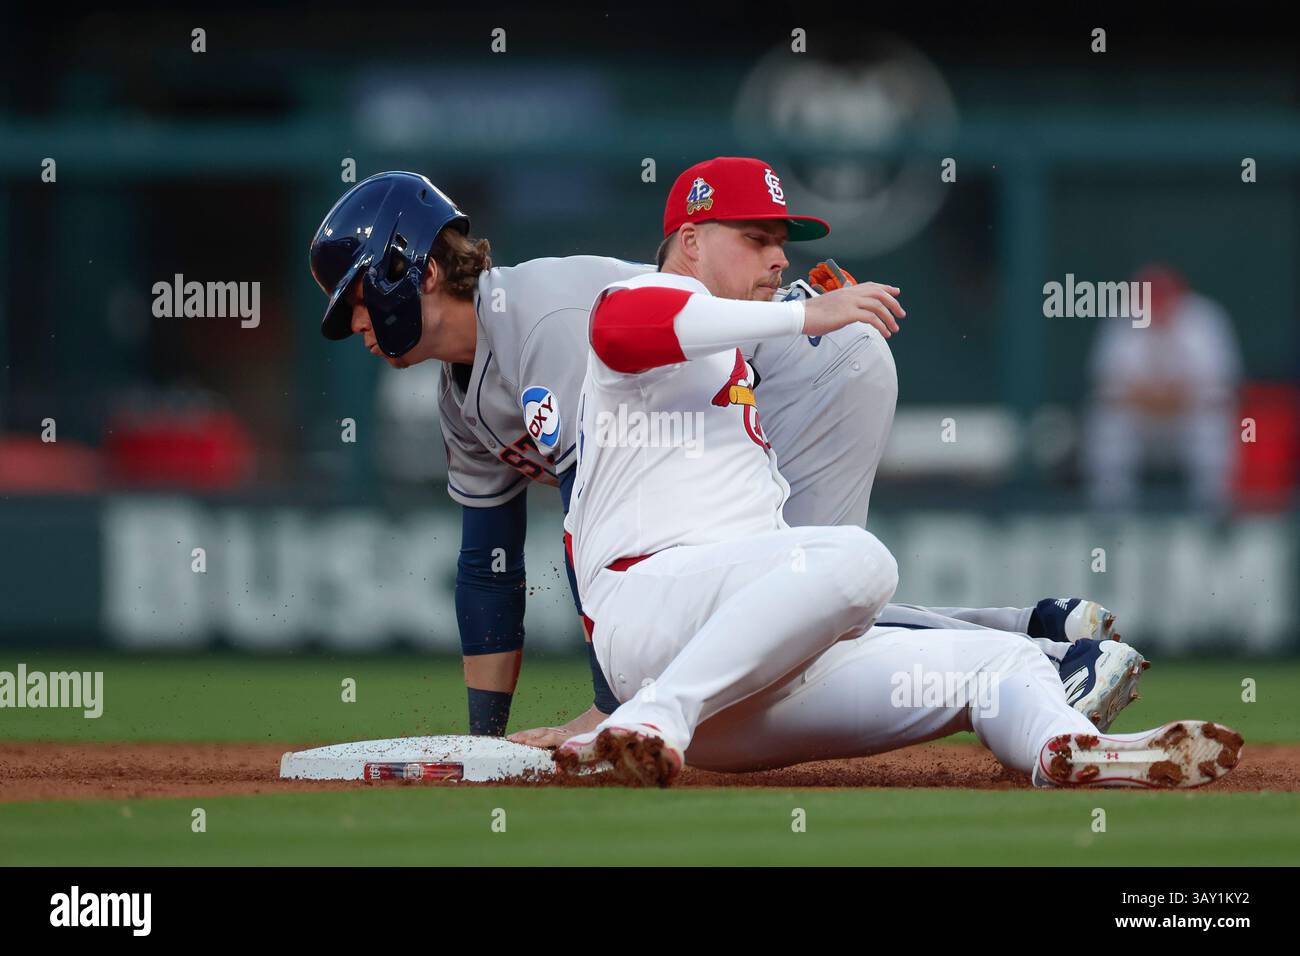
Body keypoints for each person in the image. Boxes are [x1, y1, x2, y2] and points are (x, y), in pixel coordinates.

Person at [308, 170, 1143, 745]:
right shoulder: (460, 395)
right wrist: (484, 742)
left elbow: (589, 516)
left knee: (802, 617)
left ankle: (1052, 662)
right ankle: (1029, 632)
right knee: (791, 615)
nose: (353, 326)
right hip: (749, 396)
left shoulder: (542, 319)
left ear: (404, 271)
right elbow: (488, 565)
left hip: (811, 376)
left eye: (354, 300)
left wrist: (608, 706)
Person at [553, 157, 1241, 789]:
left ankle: (1072, 749)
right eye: (756, 238)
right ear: (692, 239)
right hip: (650, 614)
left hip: (742, 683)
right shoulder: (631, 302)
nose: (778, 257)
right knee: (860, 558)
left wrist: (804, 331)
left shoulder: (740, 359)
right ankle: (650, 719)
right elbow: (624, 324)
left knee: (1005, 663)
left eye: (780, 241)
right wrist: (804, 314)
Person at [1086, 264, 1242, 513]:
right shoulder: (1122, 318)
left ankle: (1213, 513)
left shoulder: (1205, 318)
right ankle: (1110, 514)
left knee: (1214, 423)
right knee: (1108, 422)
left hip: (1188, 419)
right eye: (1149, 300)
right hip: (1141, 421)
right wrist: (1159, 398)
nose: (1157, 307)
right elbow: (1109, 388)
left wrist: (1167, 397)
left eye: (1163, 299)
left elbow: (1218, 388)